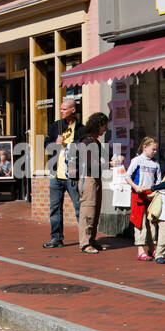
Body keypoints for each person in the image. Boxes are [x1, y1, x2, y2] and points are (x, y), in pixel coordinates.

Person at [43, 97, 84, 248]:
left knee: (79, 207)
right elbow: (46, 145)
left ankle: (85, 238)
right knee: (55, 208)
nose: (61, 112)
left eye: (64, 109)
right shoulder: (56, 126)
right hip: (56, 174)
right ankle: (56, 238)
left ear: (73, 110)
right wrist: (55, 143)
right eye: (60, 109)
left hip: (72, 174)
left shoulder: (81, 129)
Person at [124, 137, 162, 261]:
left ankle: (152, 248)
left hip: (151, 195)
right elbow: (127, 176)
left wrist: (155, 192)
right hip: (138, 194)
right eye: (153, 149)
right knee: (139, 222)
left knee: (152, 222)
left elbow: (158, 180)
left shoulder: (155, 164)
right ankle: (140, 250)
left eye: (156, 150)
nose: (154, 152)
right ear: (145, 147)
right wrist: (136, 187)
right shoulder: (137, 161)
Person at [77, 112, 109, 254]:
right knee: (88, 211)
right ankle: (84, 243)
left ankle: (91, 239)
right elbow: (90, 164)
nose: (105, 129)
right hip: (88, 179)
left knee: (95, 212)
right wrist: (110, 164)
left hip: (96, 178)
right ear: (98, 126)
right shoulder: (87, 142)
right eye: (104, 126)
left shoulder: (96, 142)